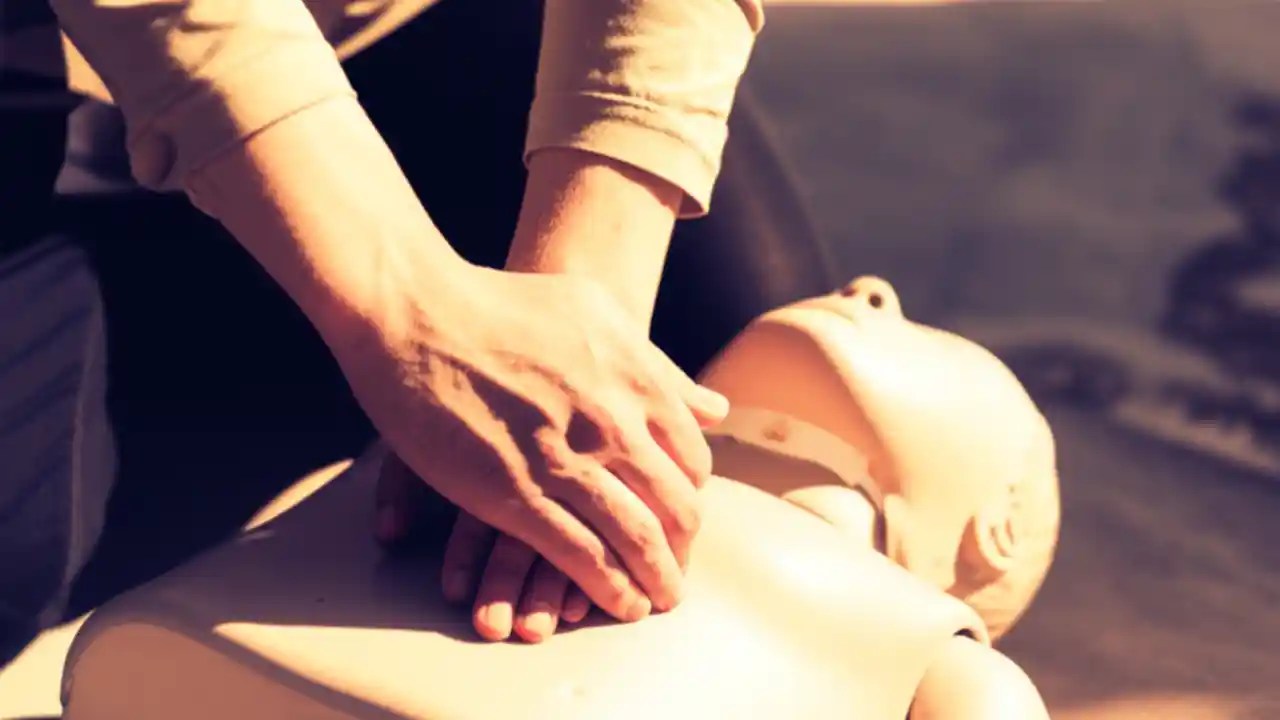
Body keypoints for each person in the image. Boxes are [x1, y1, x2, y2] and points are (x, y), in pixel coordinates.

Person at [1, 0, 807, 665]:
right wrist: (408, 313)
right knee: (15, 553)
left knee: (754, 373)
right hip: (32, 66)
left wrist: (575, 325)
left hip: (397, 32)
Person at [57, 277, 1060, 719]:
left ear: (996, 529)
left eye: (920, 329)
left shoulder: (925, 643)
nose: (872, 287)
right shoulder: (510, 435)